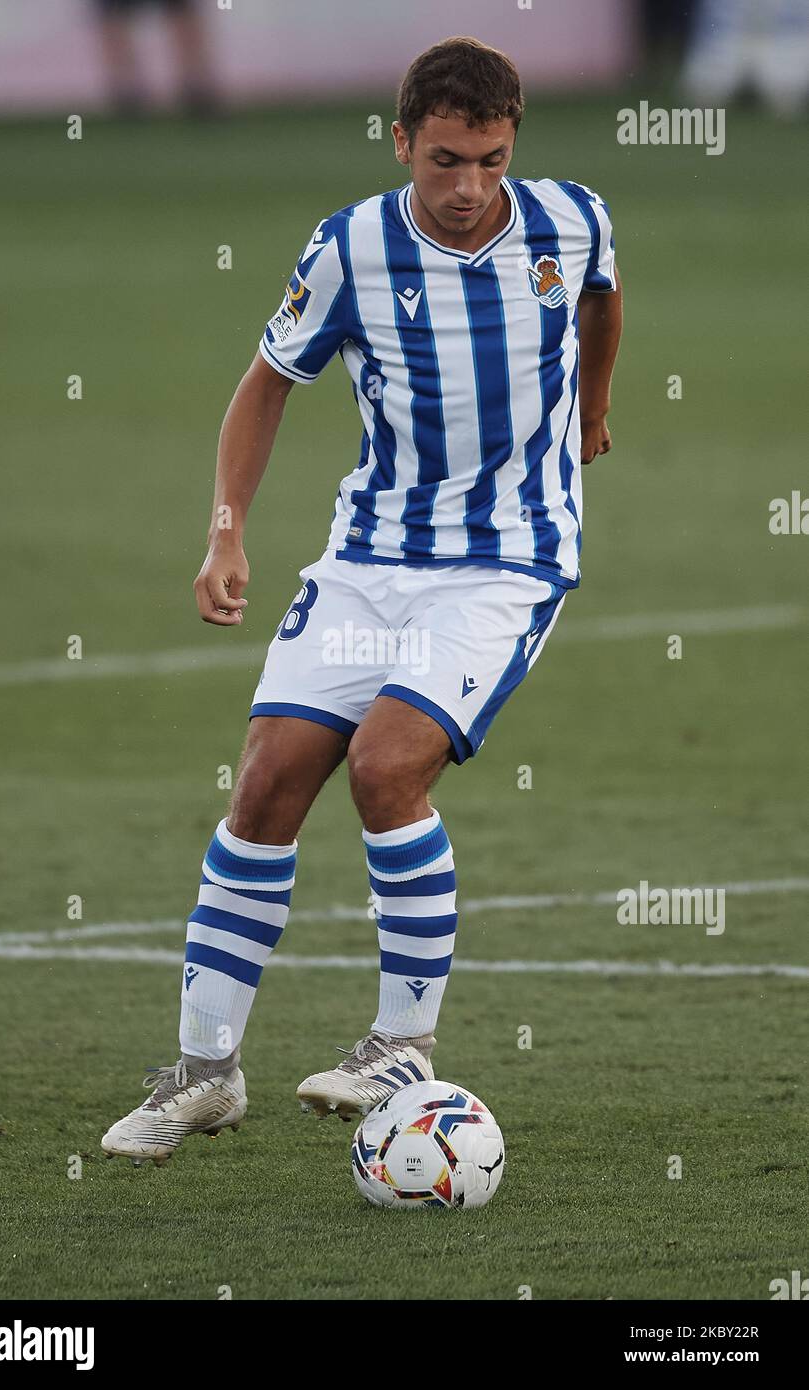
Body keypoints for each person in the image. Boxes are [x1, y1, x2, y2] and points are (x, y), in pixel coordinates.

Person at [102, 36, 623, 1165]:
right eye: (443, 160)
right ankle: (205, 1072)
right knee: (264, 785)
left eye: (488, 160)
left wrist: (590, 412)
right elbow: (265, 384)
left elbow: (598, 303)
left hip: (504, 562)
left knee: (387, 767)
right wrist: (225, 533)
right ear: (399, 143)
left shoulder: (572, 217)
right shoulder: (347, 249)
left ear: (513, 147)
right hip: (366, 560)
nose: (467, 187)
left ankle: (403, 1044)